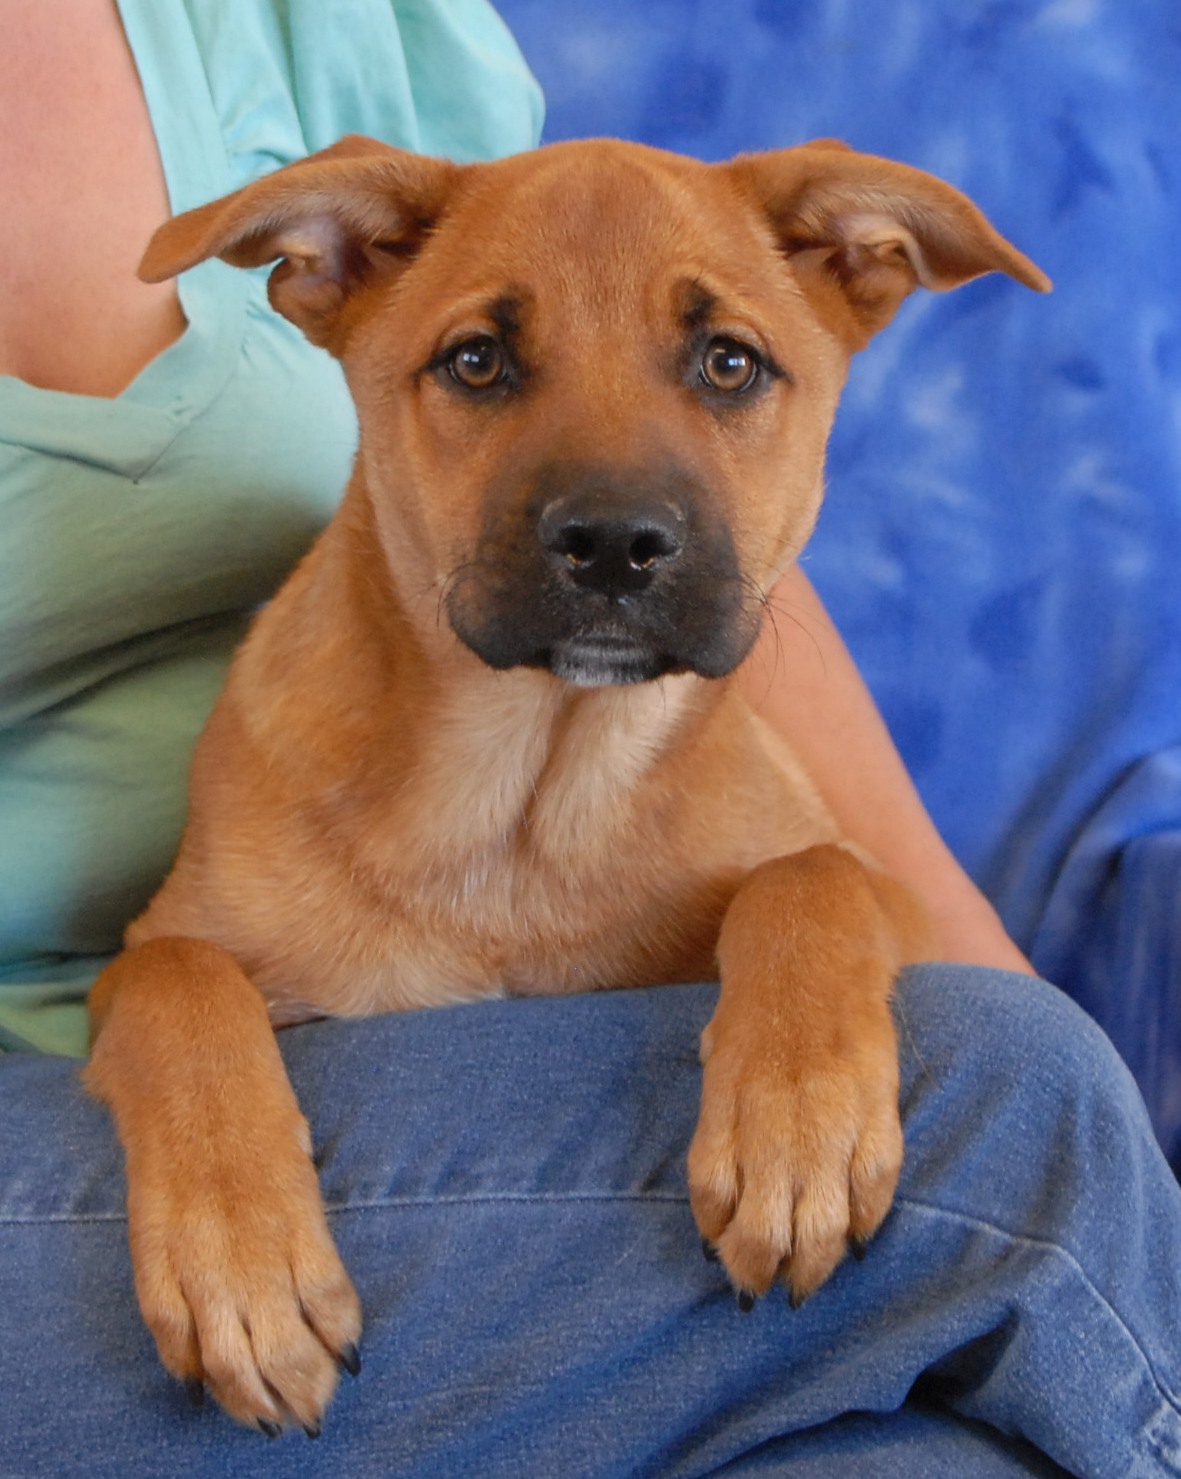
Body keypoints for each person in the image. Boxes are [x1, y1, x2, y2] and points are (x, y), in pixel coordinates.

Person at [0, 2, 1178, 1475]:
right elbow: (169, 970)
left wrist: (848, 943)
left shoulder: (301, 19)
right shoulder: (269, 777)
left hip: (511, 1193)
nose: (617, 504)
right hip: (43, 1131)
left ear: (857, 275)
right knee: (1012, 1107)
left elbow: (858, 898)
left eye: (728, 368)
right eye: (485, 367)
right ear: (326, 276)